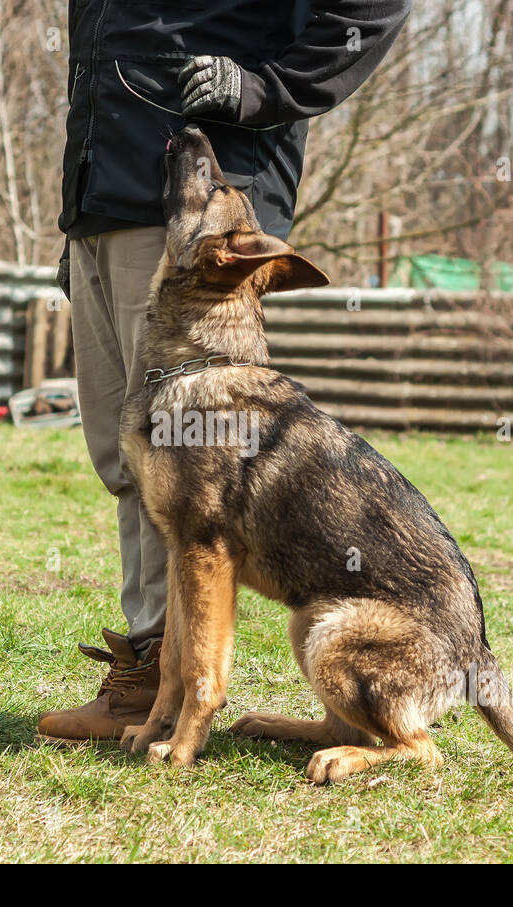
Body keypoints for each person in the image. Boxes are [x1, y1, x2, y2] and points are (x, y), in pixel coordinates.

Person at [37, 0, 411, 741]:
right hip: (107, 196)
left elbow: (373, 8)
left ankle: (169, 691)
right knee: (128, 460)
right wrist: (83, 213)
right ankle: (149, 671)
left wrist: (261, 89)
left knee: (190, 471)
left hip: (199, 211)